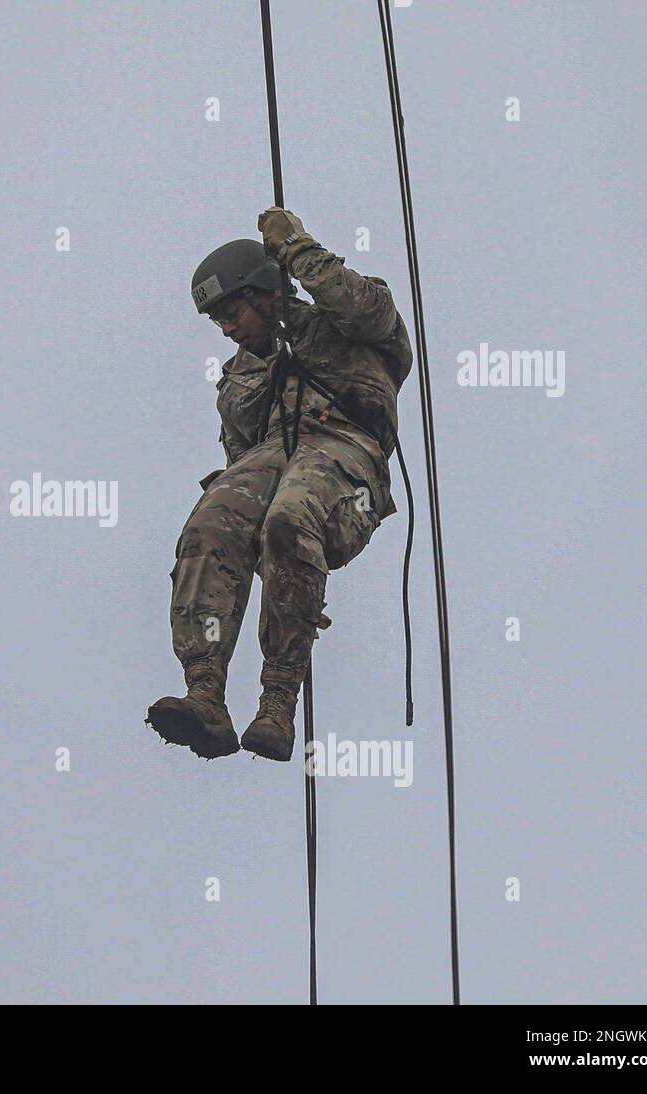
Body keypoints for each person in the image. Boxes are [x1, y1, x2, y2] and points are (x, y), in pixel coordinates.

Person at [146, 208, 412, 761]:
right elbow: (240, 453)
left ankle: (278, 700)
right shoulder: (242, 373)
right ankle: (205, 692)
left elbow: (360, 305)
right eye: (216, 319)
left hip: (345, 451)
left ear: (266, 292)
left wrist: (295, 248)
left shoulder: (349, 322)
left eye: (233, 311)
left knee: (291, 518)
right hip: (272, 455)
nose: (226, 328)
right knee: (211, 524)